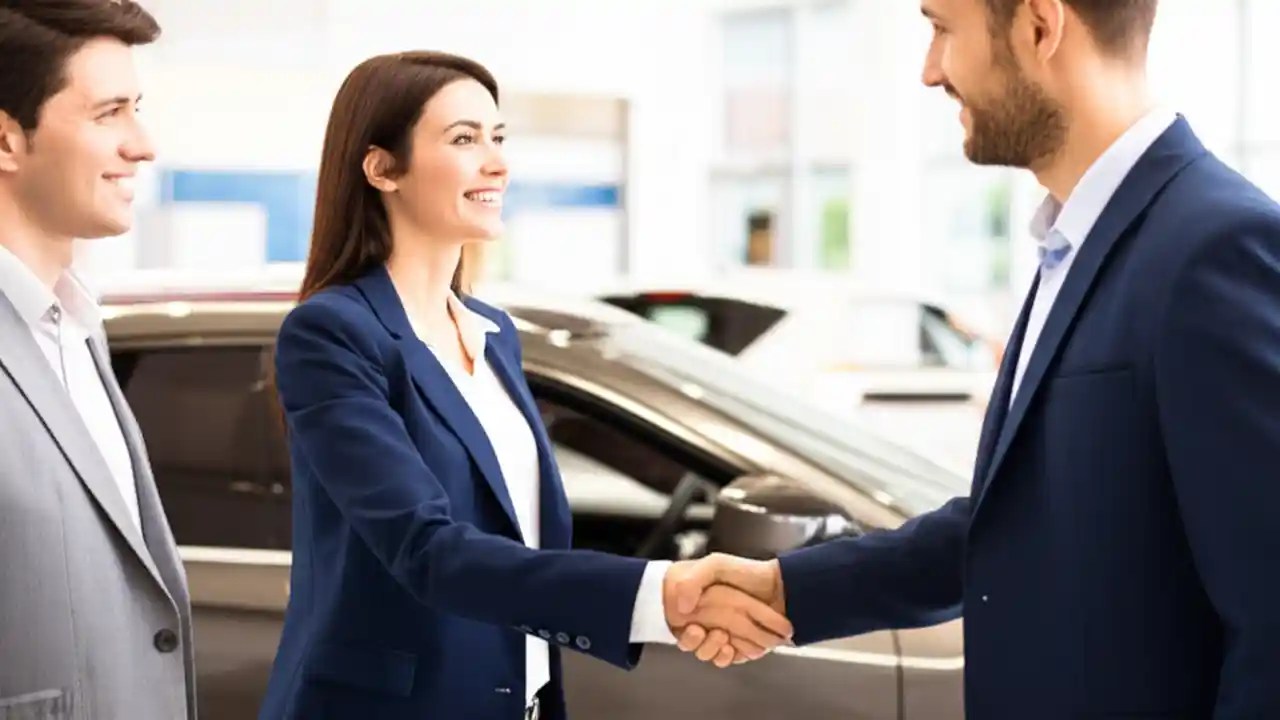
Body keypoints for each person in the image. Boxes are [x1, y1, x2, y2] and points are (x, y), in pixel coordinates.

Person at [673, 0, 1280, 717]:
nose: (931, 72)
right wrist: (785, 588)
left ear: (1038, 26)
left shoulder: (1214, 247)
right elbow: (1014, 523)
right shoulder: (1075, 243)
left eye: (941, 29)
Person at [258, 50, 792, 720]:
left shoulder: (492, 332)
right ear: (382, 167)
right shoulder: (333, 334)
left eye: (499, 137)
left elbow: (521, 538)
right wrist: (659, 595)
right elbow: (428, 550)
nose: (497, 162)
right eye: (463, 139)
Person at [0, 2, 198, 718]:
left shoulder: (77, 330)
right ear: (6, 139)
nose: (142, 145)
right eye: (109, 112)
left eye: (136, 109)